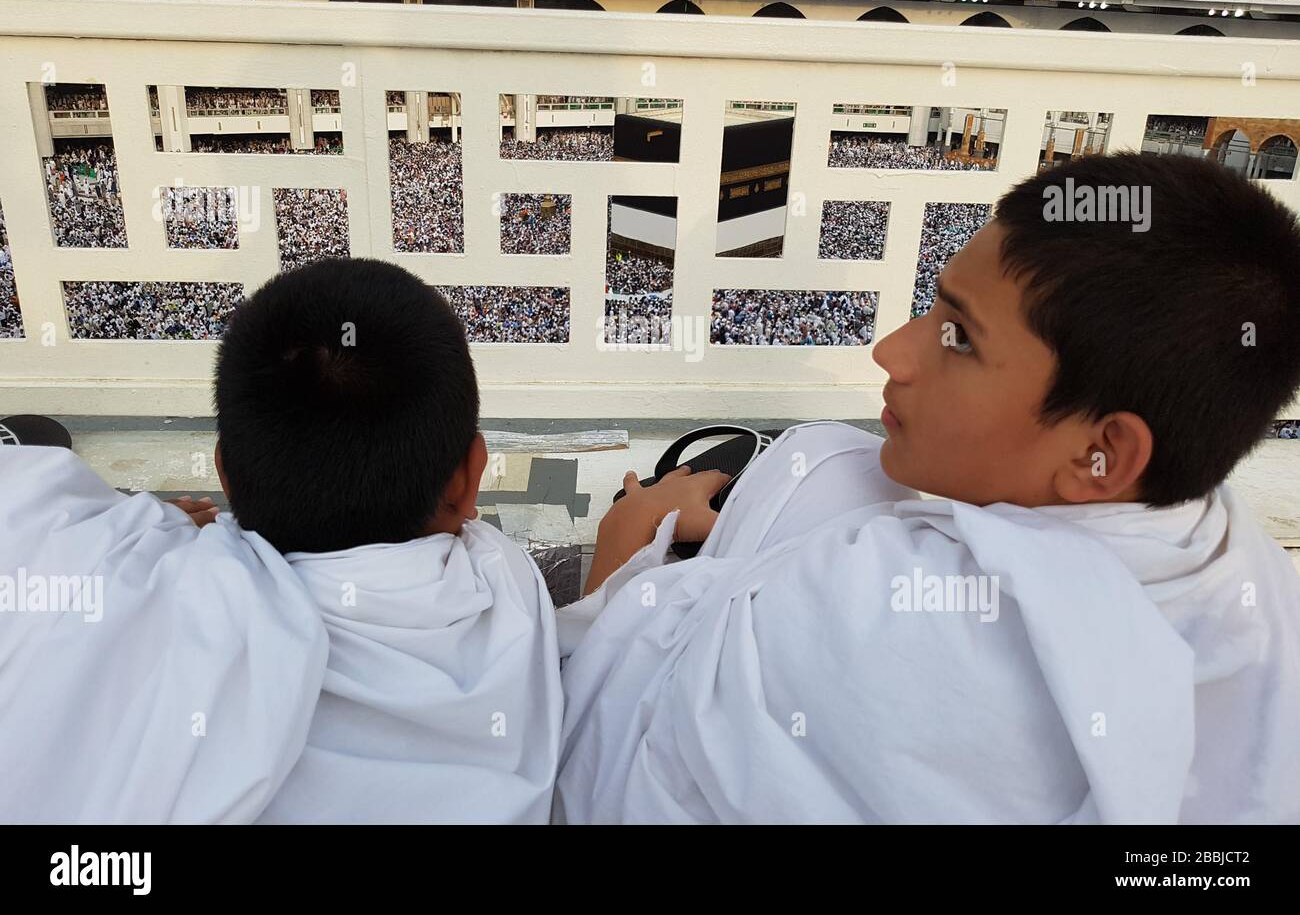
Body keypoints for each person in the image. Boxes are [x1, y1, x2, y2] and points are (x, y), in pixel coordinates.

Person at [553, 153, 1300, 824]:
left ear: (1102, 453)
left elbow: (605, 764)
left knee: (824, 460)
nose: (893, 351)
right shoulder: (1248, 578)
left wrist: (620, 572)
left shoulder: (872, 608)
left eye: (961, 337)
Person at [0, 258, 562, 824]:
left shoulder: (97, 579)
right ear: (471, 475)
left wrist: (141, 526)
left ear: (223, 473)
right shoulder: (506, 580)